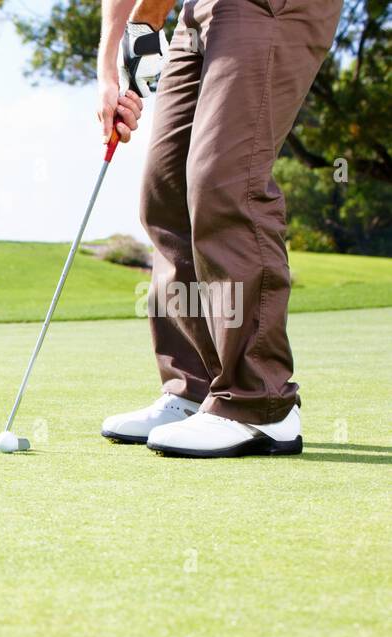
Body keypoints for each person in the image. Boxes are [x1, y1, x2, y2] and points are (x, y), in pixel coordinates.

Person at [97, 0, 344, 457]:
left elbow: (145, 14)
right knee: (165, 192)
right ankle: (195, 388)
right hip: (196, 9)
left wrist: (147, 19)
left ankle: (261, 403)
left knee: (226, 181)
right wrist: (112, 65)